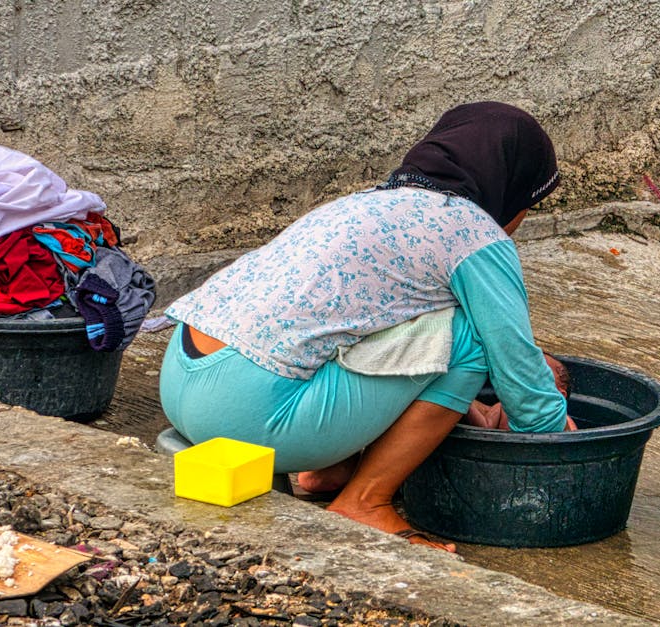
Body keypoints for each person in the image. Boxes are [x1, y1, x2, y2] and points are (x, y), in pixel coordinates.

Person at [159, 102, 575, 552]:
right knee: (473, 335)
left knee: (382, 322)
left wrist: (469, 409)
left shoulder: (366, 203)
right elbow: (516, 364)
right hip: (250, 417)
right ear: (511, 186)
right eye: (529, 204)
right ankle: (366, 500)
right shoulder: (474, 231)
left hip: (182, 384)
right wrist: (553, 430)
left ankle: (329, 471)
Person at [464, 353, 577, 430]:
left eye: (541, 373)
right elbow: (484, 427)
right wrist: (464, 402)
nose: (529, 373)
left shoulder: (564, 421)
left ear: (559, 396)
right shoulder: (504, 408)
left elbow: (570, 443)